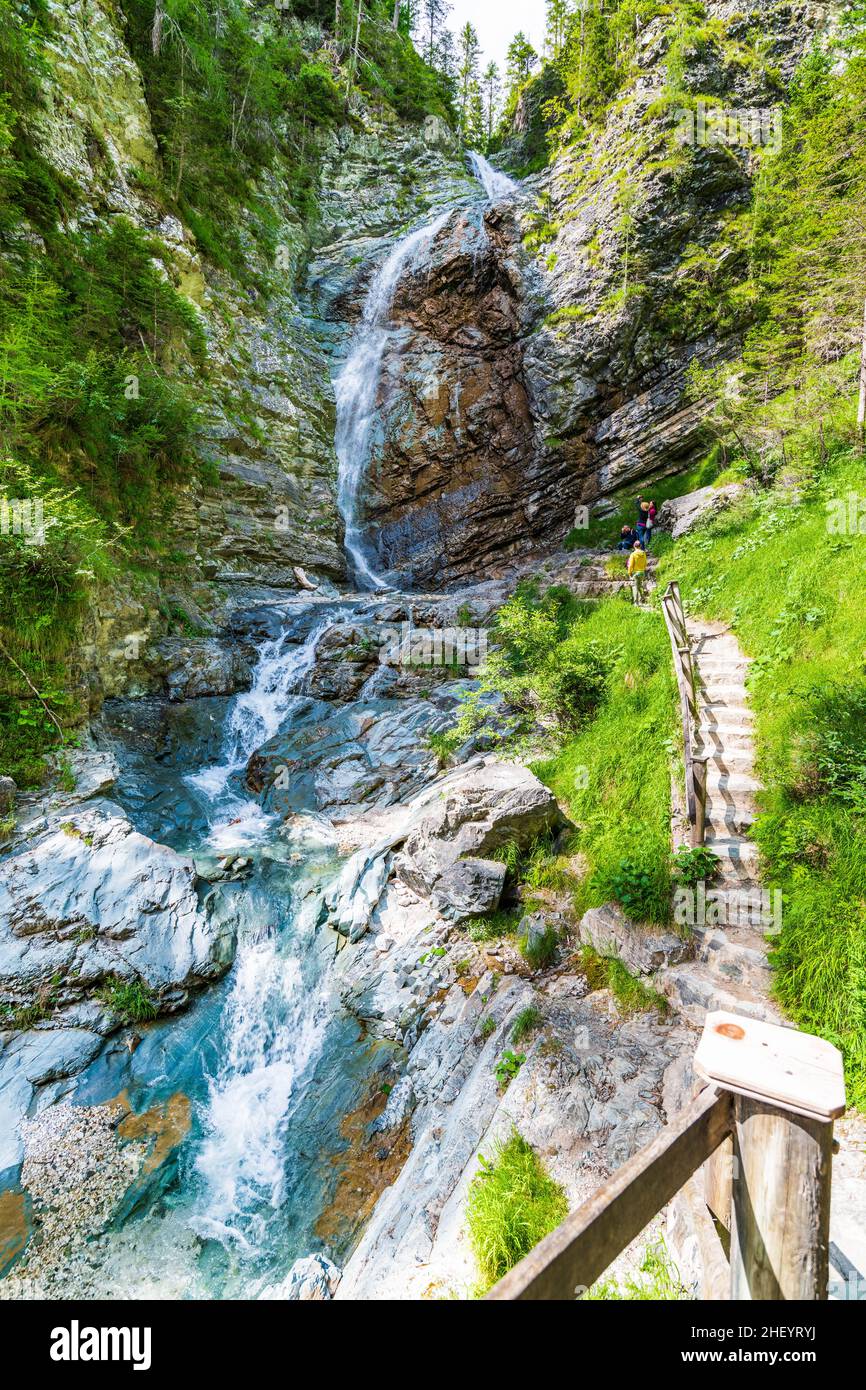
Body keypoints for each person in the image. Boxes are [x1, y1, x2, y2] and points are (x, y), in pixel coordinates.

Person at [627, 539, 647, 604]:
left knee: (635, 587)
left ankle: (636, 603)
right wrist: (643, 569)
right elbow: (645, 563)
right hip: (642, 572)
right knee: (639, 586)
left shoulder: (633, 554)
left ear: (634, 546)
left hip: (635, 573)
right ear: (640, 546)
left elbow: (630, 565)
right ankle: (642, 598)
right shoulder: (643, 553)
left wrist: (629, 573)